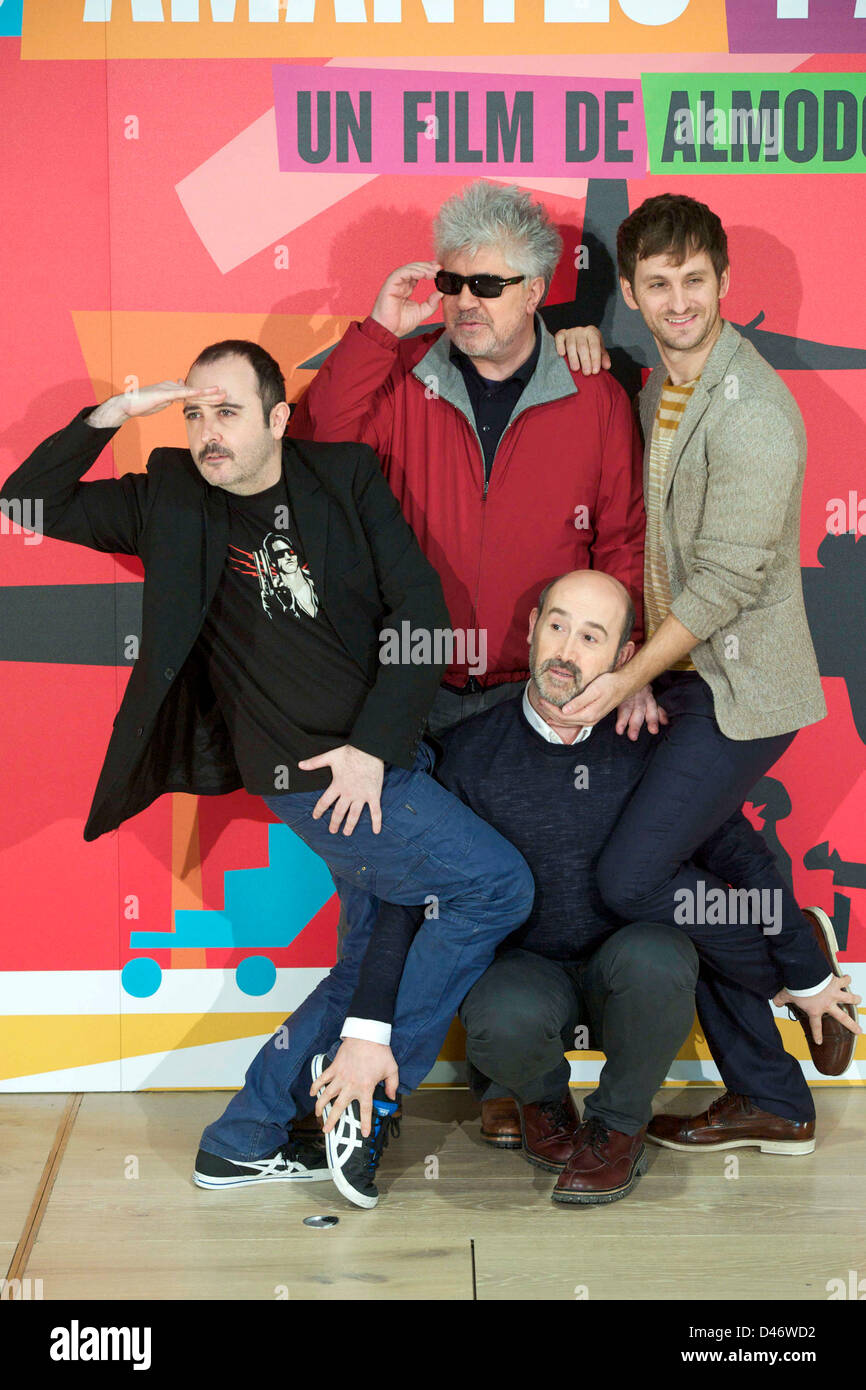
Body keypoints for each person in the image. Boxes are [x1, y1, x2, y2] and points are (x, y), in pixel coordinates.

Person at [0, 340, 536, 1204]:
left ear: (279, 419)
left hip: (380, 756)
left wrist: (376, 746)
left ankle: (244, 1136)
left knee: (369, 947)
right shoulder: (169, 498)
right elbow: (25, 499)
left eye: (228, 412)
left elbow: (421, 609)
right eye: (194, 414)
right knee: (495, 889)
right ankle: (367, 1087)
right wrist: (112, 416)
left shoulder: (345, 478)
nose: (208, 433)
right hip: (305, 776)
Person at [313, 571, 860, 1207]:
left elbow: (740, 852)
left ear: (627, 660)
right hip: (525, 971)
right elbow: (407, 896)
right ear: (531, 629)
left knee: (661, 954)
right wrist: (367, 1028)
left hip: (627, 967)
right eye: (557, 625)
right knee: (500, 1012)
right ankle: (544, 1106)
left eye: (592, 637)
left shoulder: (653, 746)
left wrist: (803, 969)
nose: (567, 652)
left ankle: (617, 1129)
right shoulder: (465, 753)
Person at [544, 193, 859, 1153]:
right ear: (632, 294)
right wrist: (575, 342)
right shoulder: (660, 383)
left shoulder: (754, 409)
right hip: (687, 676)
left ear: (725, 283)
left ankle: (796, 967)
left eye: (694, 280)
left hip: (745, 686)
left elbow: (725, 581)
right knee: (708, 859)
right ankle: (775, 1095)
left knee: (636, 876)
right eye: (657, 283)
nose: (678, 299)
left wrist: (626, 671)